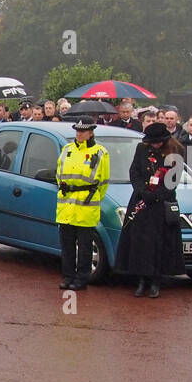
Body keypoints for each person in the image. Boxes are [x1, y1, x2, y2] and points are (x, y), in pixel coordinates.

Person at [115, 123, 186, 297]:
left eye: (157, 142)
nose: (155, 145)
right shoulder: (142, 149)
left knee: (159, 243)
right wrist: (143, 191)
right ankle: (140, 280)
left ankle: (156, 280)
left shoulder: (175, 152)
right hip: (141, 202)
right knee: (139, 242)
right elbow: (135, 172)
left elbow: (173, 180)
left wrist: (156, 195)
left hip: (161, 203)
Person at [55, 117, 110, 290]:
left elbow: (104, 181)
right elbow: (58, 174)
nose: (79, 134)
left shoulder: (100, 152)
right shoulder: (67, 149)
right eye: (77, 131)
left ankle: (82, 278)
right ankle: (68, 276)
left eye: (83, 131)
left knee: (85, 246)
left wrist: (93, 197)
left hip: (86, 204)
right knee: (67, 245)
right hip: (66, 204)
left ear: (91, 132)